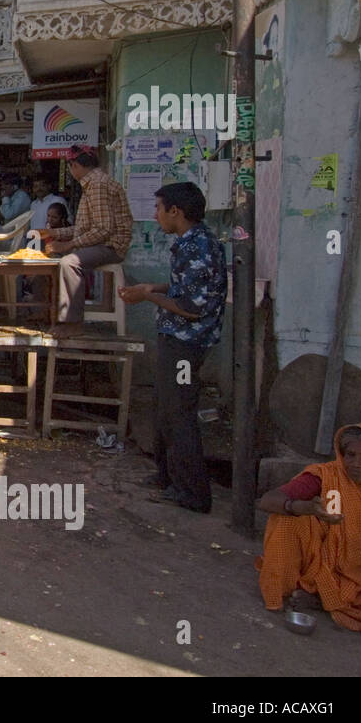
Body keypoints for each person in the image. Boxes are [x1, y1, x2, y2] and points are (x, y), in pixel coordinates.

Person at [118, 181, 226, 514]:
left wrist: (148, 295)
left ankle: (193, 492)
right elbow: (186, 287)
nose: (155, 215)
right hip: (175, 339)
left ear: (175, 212)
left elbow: (192, 306)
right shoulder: (190, 243)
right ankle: (167, 478)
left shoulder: (198, 246)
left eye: (158, 209)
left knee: (179, 413)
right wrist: (154, 287)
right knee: (165, 408)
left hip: (187, 343)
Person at [256, 424, 361, 633]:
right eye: (350, 455)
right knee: (287, 519)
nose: (355, 463)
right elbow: (268, 500)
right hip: (322, 561)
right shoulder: (329, 475)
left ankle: (320, 595)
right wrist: (303, 507)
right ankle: (314, 589)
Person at [37, 148, 133, 335]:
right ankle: (48, 313)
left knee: (69, 263)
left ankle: (73, 323)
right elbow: (83, 228)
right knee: (50, 260)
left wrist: (68, 244)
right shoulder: (93, 184)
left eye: (71, 167)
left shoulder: (98, 185)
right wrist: (53, 232)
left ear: (75, 166)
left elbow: (104, 230)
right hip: (100, 243)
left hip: (110, 246)